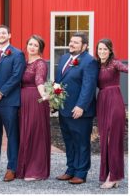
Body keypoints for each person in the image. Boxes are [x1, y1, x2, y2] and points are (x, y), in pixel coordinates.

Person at [54, 32, 98, 185]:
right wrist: (54, 101)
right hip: (64, 108)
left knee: (81, 142)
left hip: (80, 111)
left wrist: (81, 106)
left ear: (84, 46)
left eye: (76, 42)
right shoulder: (65, 58)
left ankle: (81, 173)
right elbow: (59, 81)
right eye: (71, 41)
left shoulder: (89, 61)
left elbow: (89, 86)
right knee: (69, 141)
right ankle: (70, 169)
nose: (71, 44)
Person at [0, 25, 25, 181]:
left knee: (12, 135)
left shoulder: (17, 54)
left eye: (3, 33)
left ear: (9, 35)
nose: (1, 35)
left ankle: (12, 167)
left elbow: (17, 76)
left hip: (9, 101)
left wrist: (1, 92)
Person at [16, 35, 51, 181]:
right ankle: (24, 168)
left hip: (35, 99)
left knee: (34, 133)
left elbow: (39, 80)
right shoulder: (23, 62)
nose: (32, 47)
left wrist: (44, 94)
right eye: (30, 44)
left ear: (40, 48)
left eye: (36, 45)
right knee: (24, 133)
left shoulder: (40, 63)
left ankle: (36, 170)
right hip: (23, 100)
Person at [95, 38, 126, 189]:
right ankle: (113, 174)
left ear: (110, 50)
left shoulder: (115, 63)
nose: (102, 52)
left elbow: (126, 69)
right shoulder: (96, 65)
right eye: (100, 49)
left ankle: (113, 176)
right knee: (104, 139)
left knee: (112, 138)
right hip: (102, 102)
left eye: (105, 49)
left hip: (114, 101)